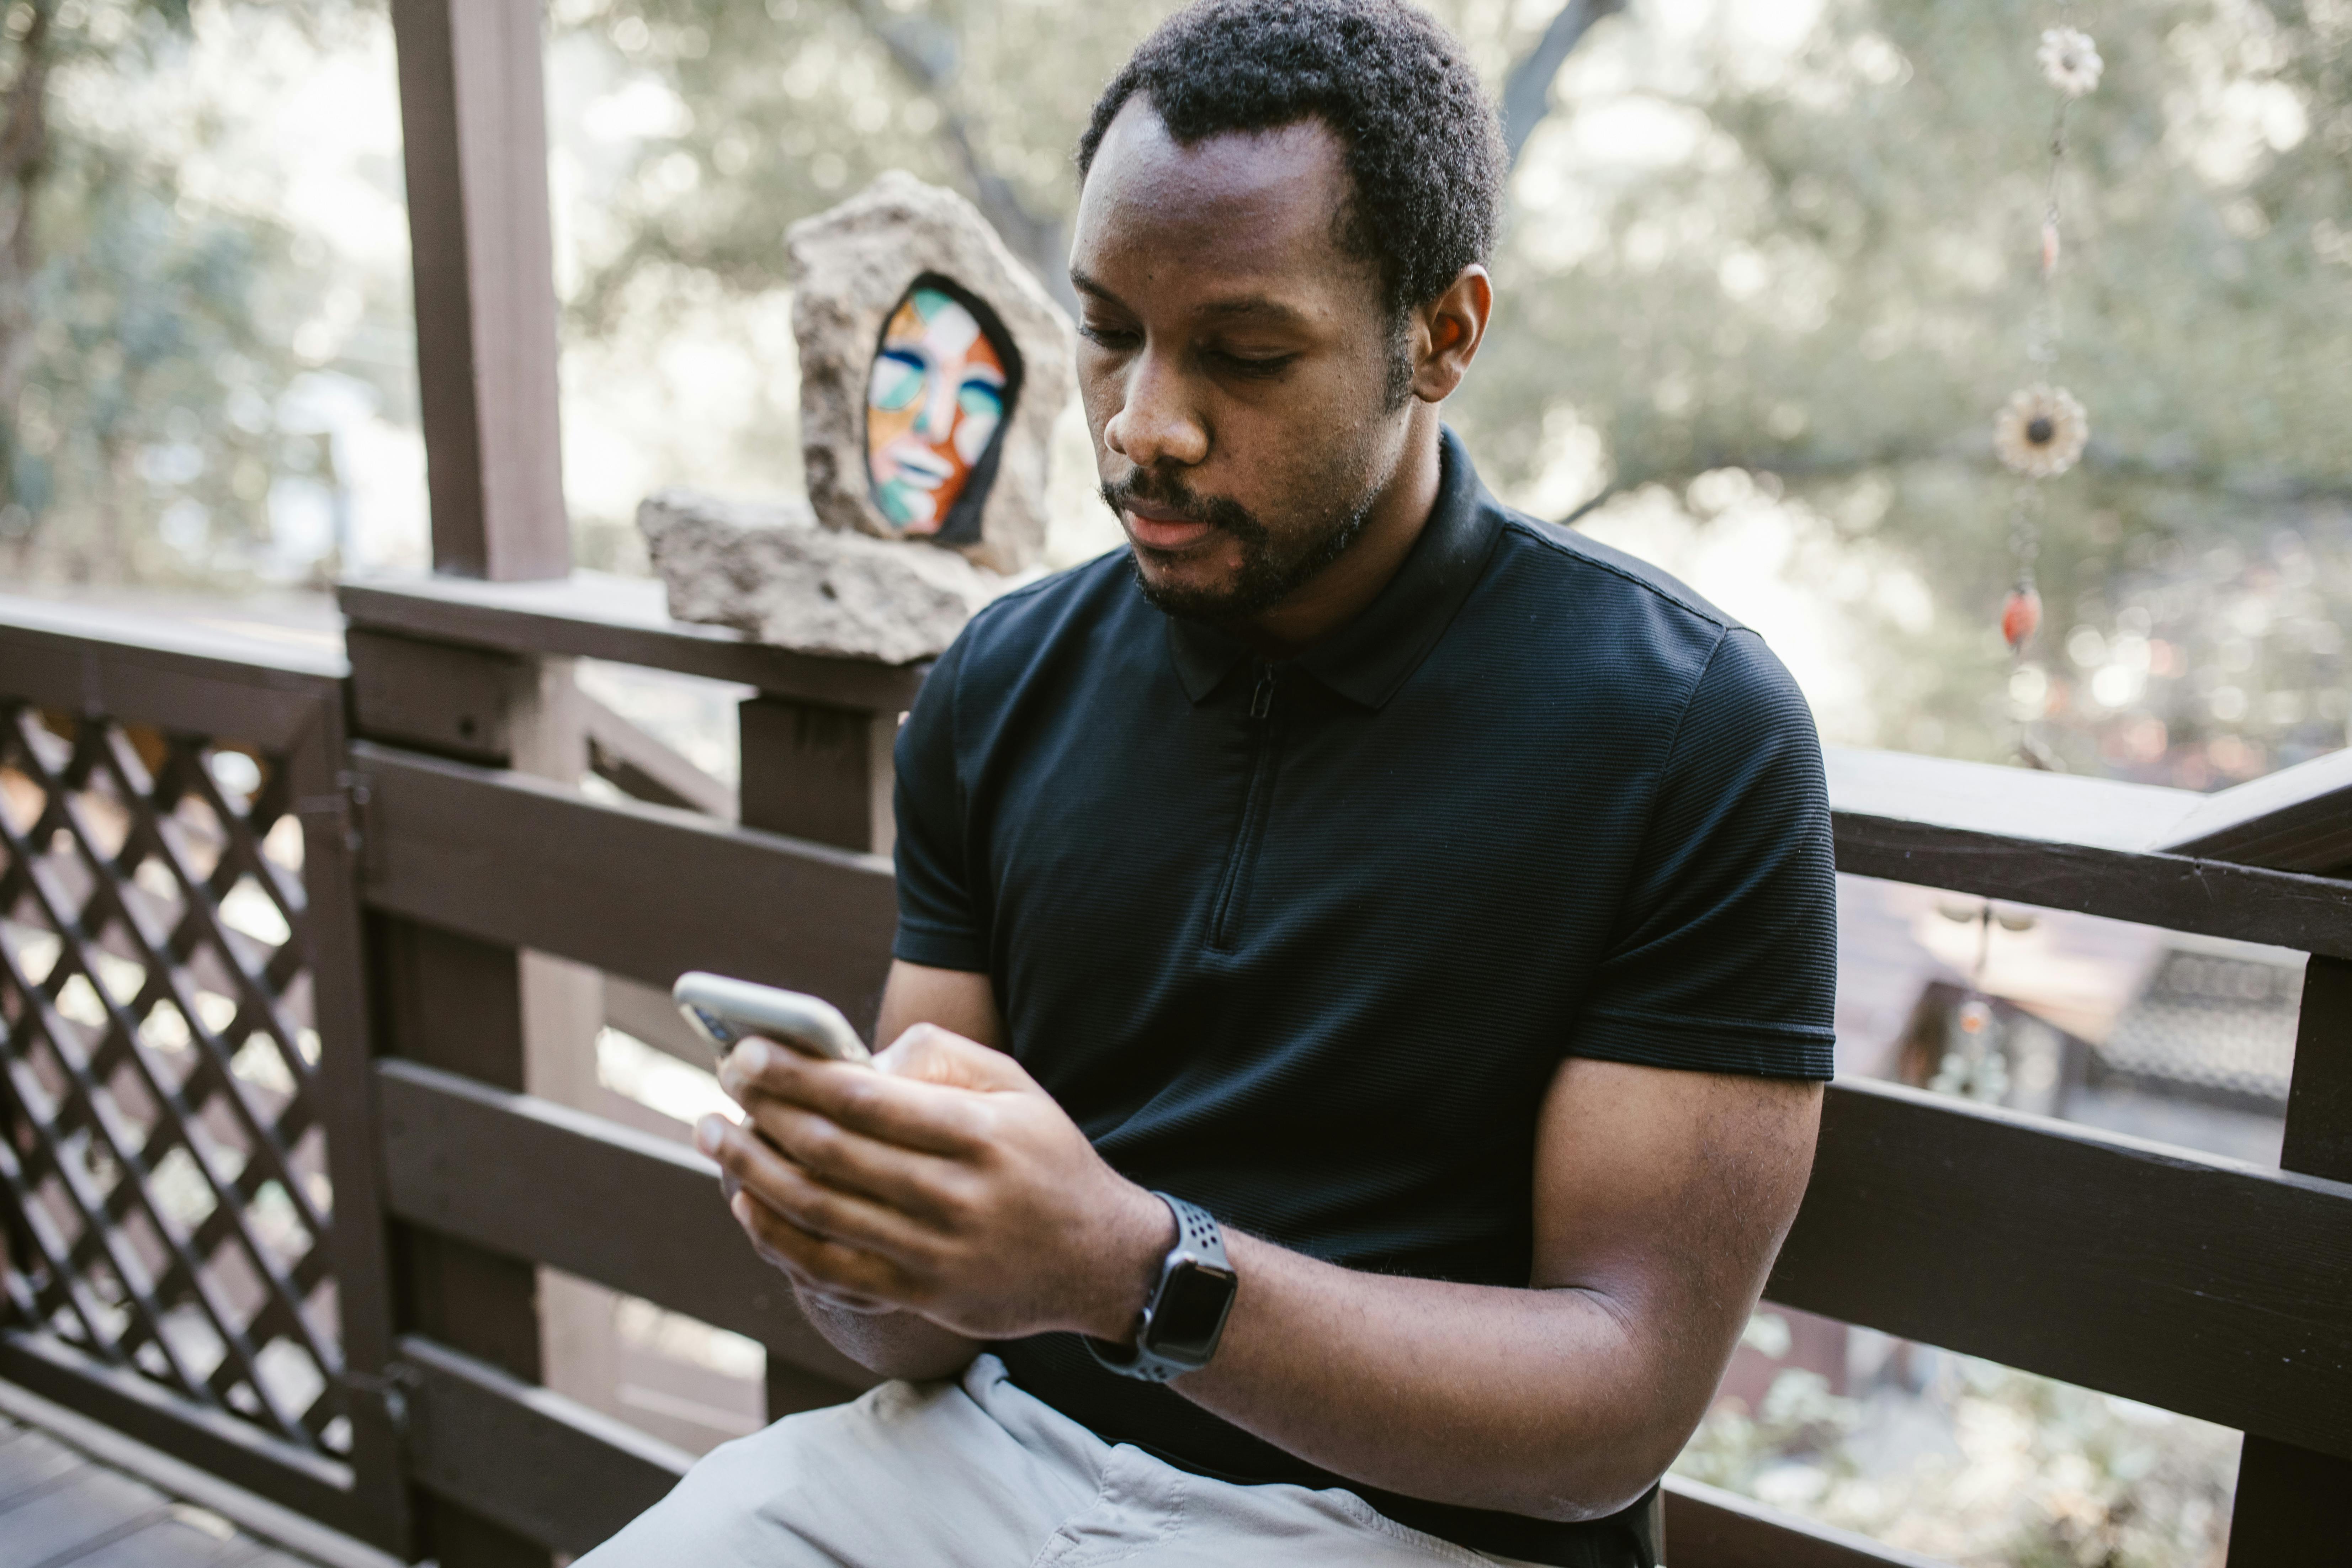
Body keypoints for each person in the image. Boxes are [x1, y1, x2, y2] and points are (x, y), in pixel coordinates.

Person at [580, 1, 1833, 1564]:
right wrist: (855, 1239)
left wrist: (1131, 1268)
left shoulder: (1689, 726)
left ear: (1440, 335)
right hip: (977, 1455)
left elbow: (1617, 1408)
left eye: (1243, 353)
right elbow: (909, 1337)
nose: (1140, 424)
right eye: (1107, 327)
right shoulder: (1001, 680)